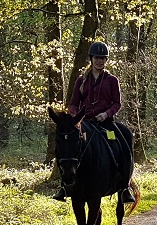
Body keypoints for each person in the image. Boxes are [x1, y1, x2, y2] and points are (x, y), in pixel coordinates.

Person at [53, 41, 136, 203]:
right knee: (66, 147)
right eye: (97, 58)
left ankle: (125, 187)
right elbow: (73, 104)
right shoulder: (81, 80)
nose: (99, 61)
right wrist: (76, 117)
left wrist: (106, 114)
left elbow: (117, 103)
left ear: (106, 60)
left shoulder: (112, 80)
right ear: (91, 59)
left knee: (125, 142)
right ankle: (64, 186)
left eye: (102, 58)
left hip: (105, 123)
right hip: (85, 123)